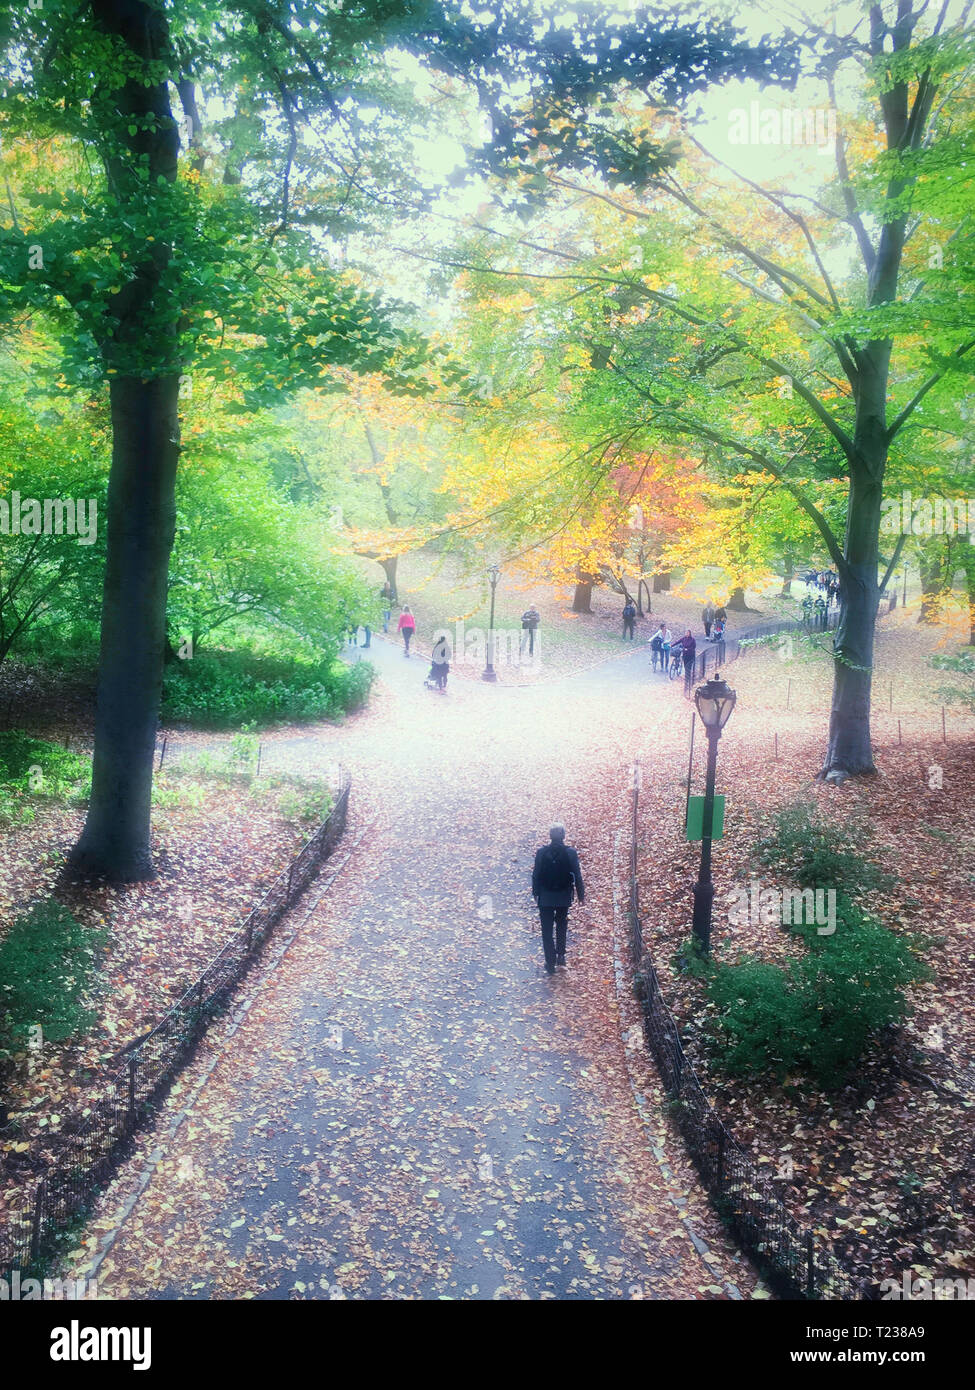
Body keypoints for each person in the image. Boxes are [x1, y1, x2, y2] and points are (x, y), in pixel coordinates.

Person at [531, 824, 585, 975]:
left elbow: (536, 874)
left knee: (546, 929)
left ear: (550, 836)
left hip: (545, 897)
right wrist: (581, 894)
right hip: (563, 896)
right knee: (561, 925)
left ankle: (550, 962)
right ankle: (561, 956)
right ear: (563, 836)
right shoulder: (570, 853)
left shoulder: (541, 852)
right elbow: (577, 874)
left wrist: (535, 892)